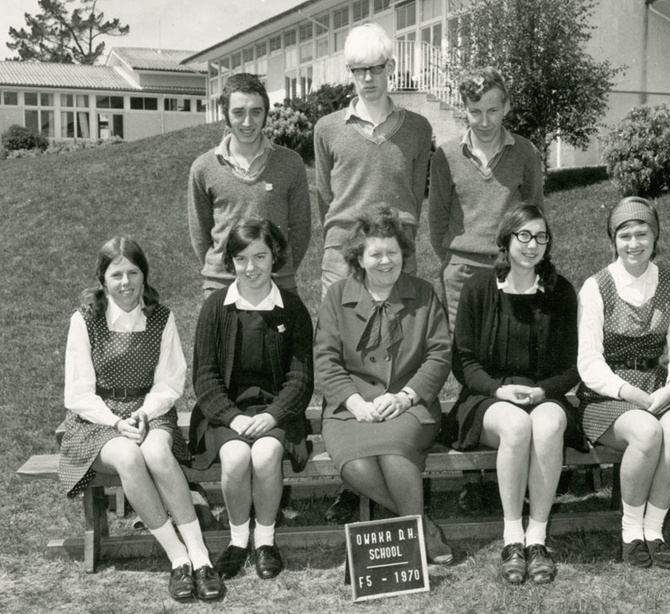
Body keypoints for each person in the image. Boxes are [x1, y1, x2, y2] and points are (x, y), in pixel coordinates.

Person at [58, 237, 224, 602]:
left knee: (158, 455)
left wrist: (143, 412)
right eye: (116, 274)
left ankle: (200, 557)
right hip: (98, 419)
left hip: (149, 411)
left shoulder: (160, 317)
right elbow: (78, 392)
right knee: (130, 458)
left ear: (144, 276)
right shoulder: (85, 320)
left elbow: (170, 379)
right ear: (102, 280)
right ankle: (178, 558)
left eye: (133, 272)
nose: (126, 282)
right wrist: (116, 422)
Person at [443, 204, 582, 585]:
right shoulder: (478, 289)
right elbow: (464, 362)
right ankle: (511, 538)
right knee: (517, 426)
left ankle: (536, 539)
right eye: (524, 235)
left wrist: (542, 392)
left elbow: (573, 366)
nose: (532, 244)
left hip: (543, 394)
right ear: (506, 239)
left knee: (550, 424)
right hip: (487, 396)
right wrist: (499, 390)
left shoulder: (560, 291)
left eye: (541, 237)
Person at [314, 206, 453, 565]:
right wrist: (355, 402)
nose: (385, 260)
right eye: (375, 253)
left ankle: (412, 535)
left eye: (392, 251)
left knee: (394, 451)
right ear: (359, 257)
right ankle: (421, 528)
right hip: (351, 408)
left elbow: (439, 355)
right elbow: (326, 360)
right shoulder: (336, 297)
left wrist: (407, 397)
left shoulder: (423, 294)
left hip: (410, 404)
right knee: (356, 464)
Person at [190, 216, 313, 580]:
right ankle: (237, 540)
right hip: (226, 415)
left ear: (274, 257)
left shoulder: (292, 309)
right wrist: (232, 417)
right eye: (241, 259)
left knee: (265, 455)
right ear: (230, 263)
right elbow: (205, 376)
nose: (251, 267)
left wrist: (274, 415)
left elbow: (301, 377)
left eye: (260, 257)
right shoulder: (215, 308)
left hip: (275, 414)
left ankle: (265, 541)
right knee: (235, 458)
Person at [576, 196, 670, 570]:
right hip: (607, 392)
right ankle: (631, 531)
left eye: (641, 233)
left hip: (655, 386)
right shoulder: (596, 286)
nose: (633, 243)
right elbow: (589, 361)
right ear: (613, 240)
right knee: (646, 432)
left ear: (654, 236)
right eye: (624, 235)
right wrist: (628, 392)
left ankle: (654, 529)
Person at [314, 23, 432, 295]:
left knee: (398, 332)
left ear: (390, 67)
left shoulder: (418, 128)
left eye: (375, 68)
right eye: (359, 69)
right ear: (350, 72)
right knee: (341, 334)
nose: (367, 78)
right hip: (342, 253)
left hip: (396, 251)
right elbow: (324, 198)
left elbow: (414, 197)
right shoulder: (326, 128)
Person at [428, 67, 544, 332]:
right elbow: (437, 220)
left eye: (492, 111)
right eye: (475, 112)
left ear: (506, 106)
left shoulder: (526, 153)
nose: (484, 122)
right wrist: (455, 259)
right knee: (465, 353)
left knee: (510, 344)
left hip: (513, 267)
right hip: (461, 273)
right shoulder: (445, 157)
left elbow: (536, 214)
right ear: (464, 109)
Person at [188, 73, 311, 298]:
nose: (247, 122)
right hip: (221, 287)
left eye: (256, 112)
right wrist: (224, 267)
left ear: (265, 114)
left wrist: (279, 266)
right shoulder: (203, 168)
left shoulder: (291, 164)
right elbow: (200, 233)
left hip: (277, 285)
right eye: (238, 112)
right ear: (225, 114)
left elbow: (301, 228)